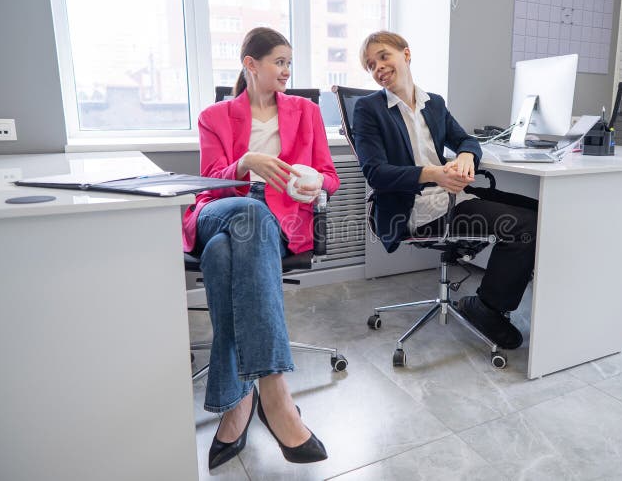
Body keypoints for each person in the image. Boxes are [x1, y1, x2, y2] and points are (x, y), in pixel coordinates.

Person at [182, 27, 339, 469]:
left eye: (290, 63)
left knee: (222, 255)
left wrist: (314, 183)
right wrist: (246, 163)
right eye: (279, 62)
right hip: (220, 208)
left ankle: (237, 405)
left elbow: (330, 175)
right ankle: (275, 395)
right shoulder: (214, 116)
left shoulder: (307, 112)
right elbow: (209, 182)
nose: (287, 71)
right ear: (250, 63)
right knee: (247, 217)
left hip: (282, 216)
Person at [351, 31, 537, 350]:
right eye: (370, 65)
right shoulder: (369, 109)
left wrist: (465, 155)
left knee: (539, 210)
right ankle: (488, 307)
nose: (377, 67)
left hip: (453, 197)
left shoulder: (433, 103)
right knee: (525, 226)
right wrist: (434, 173)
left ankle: (510, 300)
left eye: (383, 56)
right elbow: (375, 173)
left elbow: (466, 140)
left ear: (405, 54)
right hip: (418, 210)